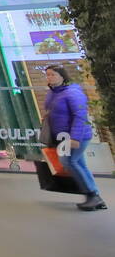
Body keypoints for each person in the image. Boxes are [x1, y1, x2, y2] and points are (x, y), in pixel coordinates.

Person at [43, 65, 104, 211]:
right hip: (63, 136)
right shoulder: (53, 92)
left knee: (69, 161)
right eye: (48, 75)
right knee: (78, 163)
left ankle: (92, 194)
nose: (49, 77)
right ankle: (94, 195)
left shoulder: (72, 93)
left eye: (53, 75)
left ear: (62, 76)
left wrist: (75, 138)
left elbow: (80, 116)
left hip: (76, 136)